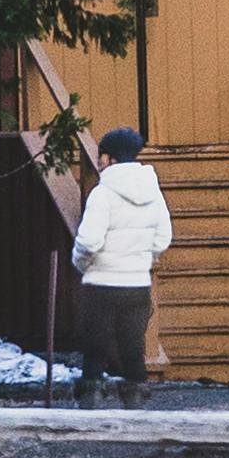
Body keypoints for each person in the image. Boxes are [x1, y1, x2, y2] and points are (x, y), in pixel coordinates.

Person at [67, 125, 172, 395]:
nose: (99, 161)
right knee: (132, 347)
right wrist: (141, 259)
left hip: (100, 283)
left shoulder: (102, 194)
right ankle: (136, 404)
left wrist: (81, 263)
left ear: (109, 158)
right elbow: (163, 238)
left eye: (101, 156)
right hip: (136, 283)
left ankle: (90, 403)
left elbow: (89, 241)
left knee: (95, 349)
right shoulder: (152, 191)